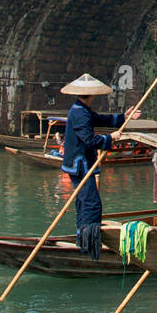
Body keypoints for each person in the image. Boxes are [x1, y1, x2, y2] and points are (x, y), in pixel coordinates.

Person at [59, 73, 140, 231]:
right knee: (91, 203)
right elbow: (89, 140)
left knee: (84, 201)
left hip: (79, 163)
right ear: (92, 95)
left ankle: (82, 233)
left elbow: (100, 120)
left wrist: (124, 117)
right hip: (79, 164)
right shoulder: (80, 113)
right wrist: (110, 138)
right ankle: (89, 235)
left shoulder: (82, 109)